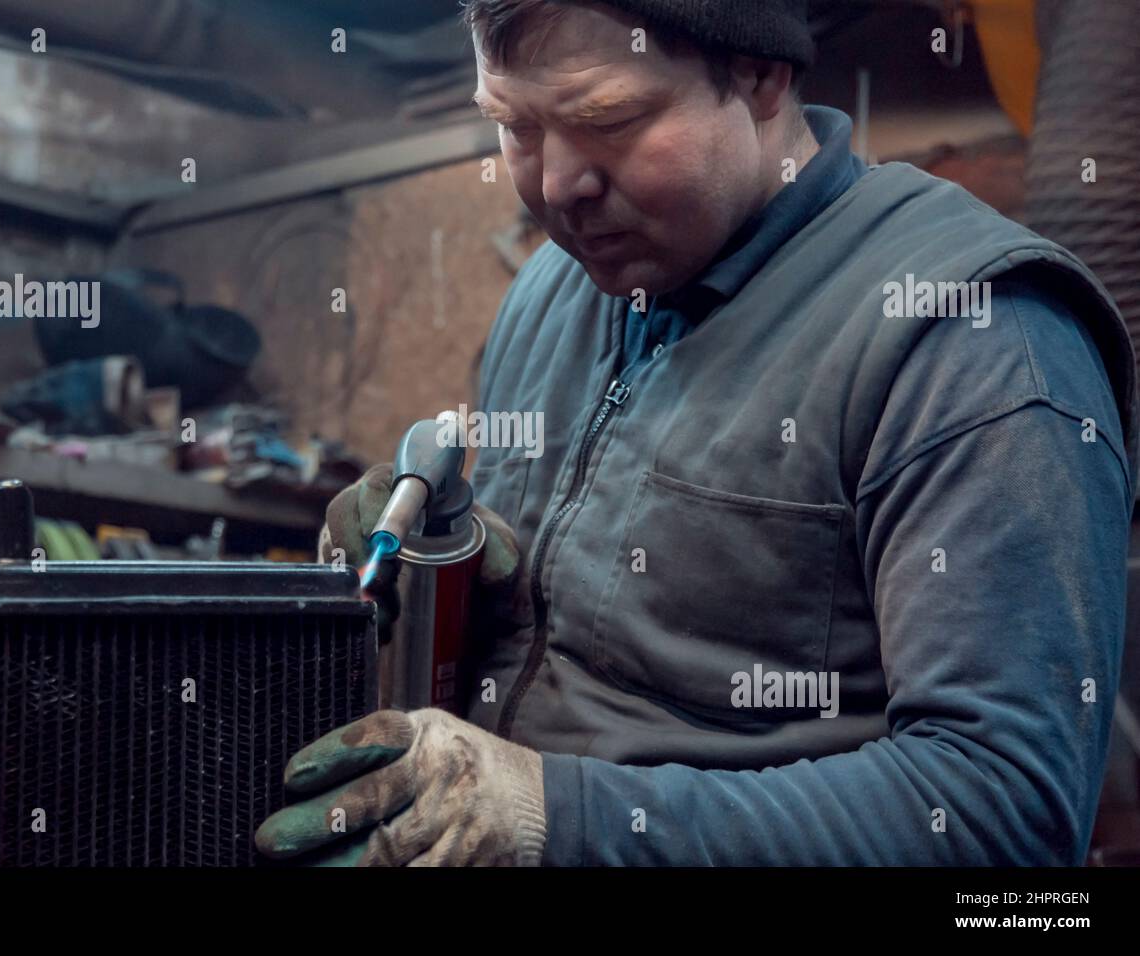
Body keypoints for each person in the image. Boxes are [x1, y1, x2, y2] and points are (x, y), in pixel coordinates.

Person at [255, 0, 1138, 866]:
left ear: (759, 74)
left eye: (608, 118)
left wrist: (551, 819)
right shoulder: (551, 294)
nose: (557, 185)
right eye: (515, 126)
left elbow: (999, 813)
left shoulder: (971, 335)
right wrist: (445, 560)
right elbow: (575, 635)